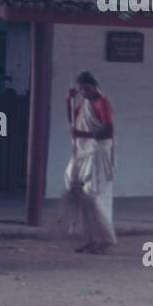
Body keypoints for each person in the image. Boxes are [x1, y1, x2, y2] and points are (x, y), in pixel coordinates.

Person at [64, 71, 116, 253]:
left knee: (93, 195)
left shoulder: (102, 102)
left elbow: (108, 130)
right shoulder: (85, 102)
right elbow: (74, 120)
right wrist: (68, 101)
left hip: (98, 153)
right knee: (75, 187)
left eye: (86, 88)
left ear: (94, 86)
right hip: (83, 151)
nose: (83, 92)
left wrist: (83, 135)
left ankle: (105, 239)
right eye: (81, 89)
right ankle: (90, 238)